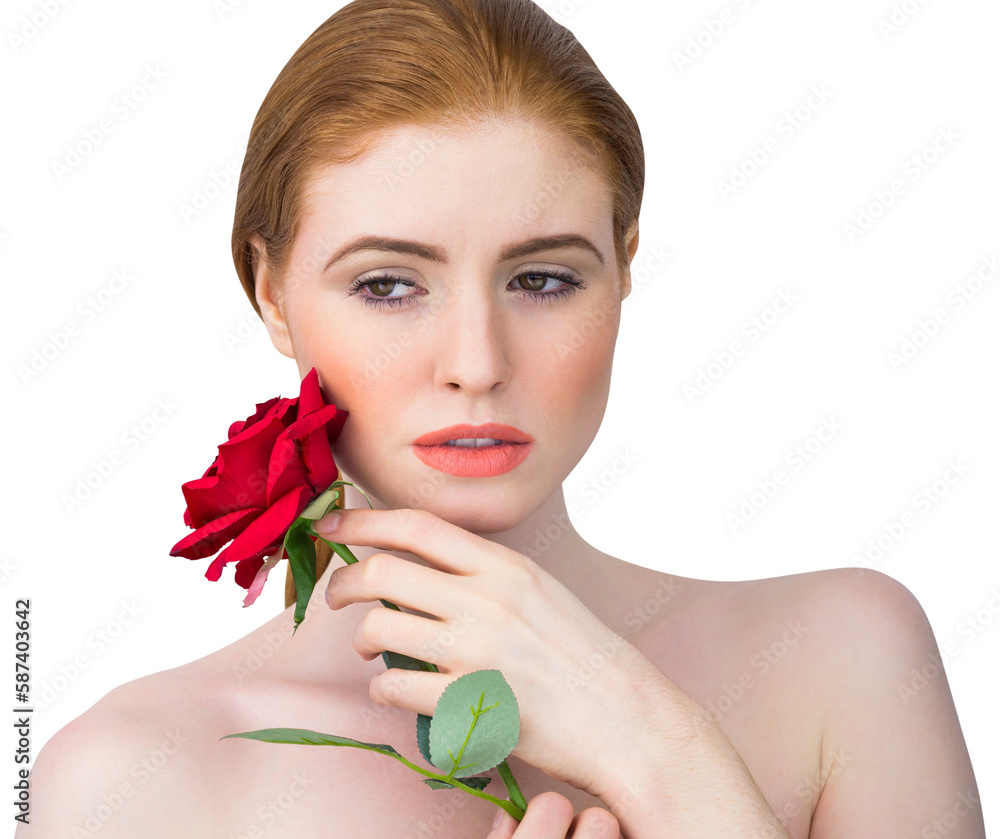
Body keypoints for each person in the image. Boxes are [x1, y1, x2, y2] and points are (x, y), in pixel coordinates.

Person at [24, 0, 985, 836]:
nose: (477, 364)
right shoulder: (127, 780)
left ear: (623, 267)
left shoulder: (846, 660)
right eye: (390, 284)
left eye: (543, 279)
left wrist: (664, 749)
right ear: (271, 293)